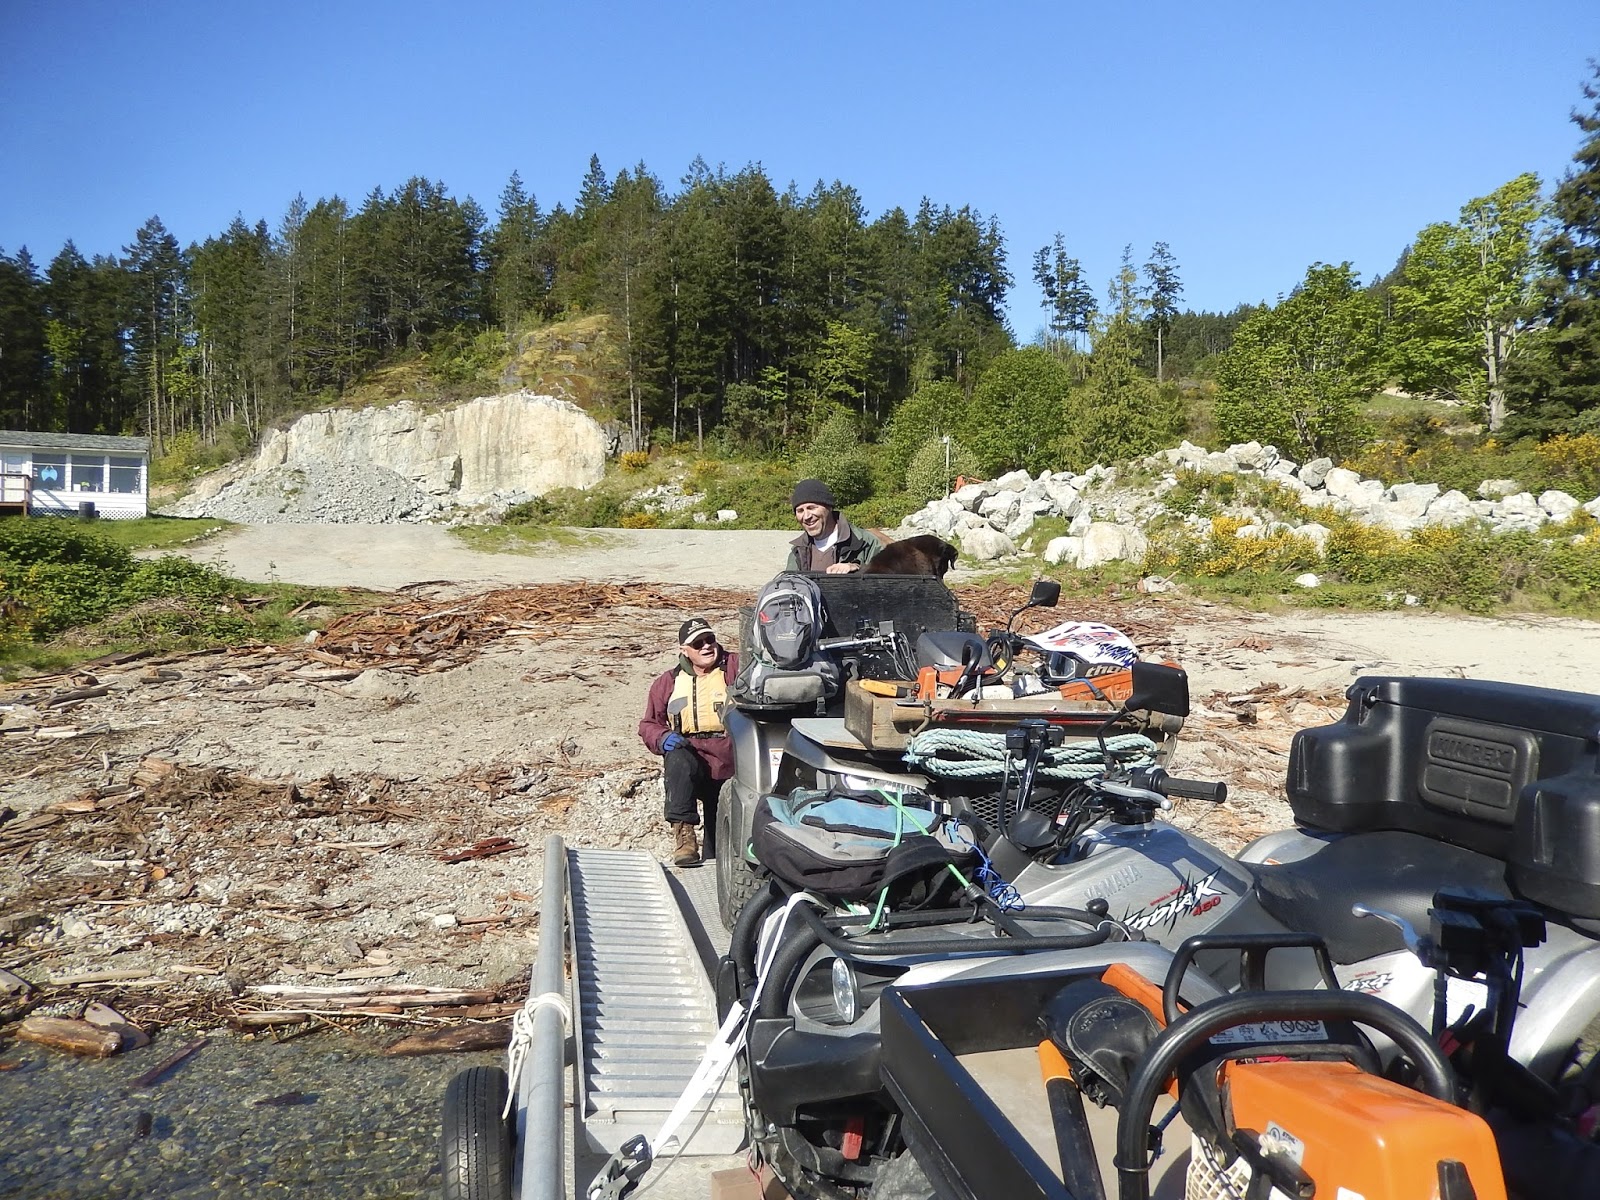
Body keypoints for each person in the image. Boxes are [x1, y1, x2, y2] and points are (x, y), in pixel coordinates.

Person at [638, 617, 739, 868]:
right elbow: (649, 724)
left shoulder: (736, 667)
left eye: (710, 640)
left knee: (721, 841)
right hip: (691, 756)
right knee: (677, 759)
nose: (706, 647)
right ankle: (684, 837)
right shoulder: (668, 682)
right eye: (698, 644)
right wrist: (662, 738)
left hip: (729, 758)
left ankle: (718, 862)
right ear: (685, 651)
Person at [785, 479, 884, 573]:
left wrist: (857, 569)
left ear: (829, 507)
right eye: (800, 511)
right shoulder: (798, 551)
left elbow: (890, 578)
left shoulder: (865, 542)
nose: (806, 516)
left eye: (812, 508)